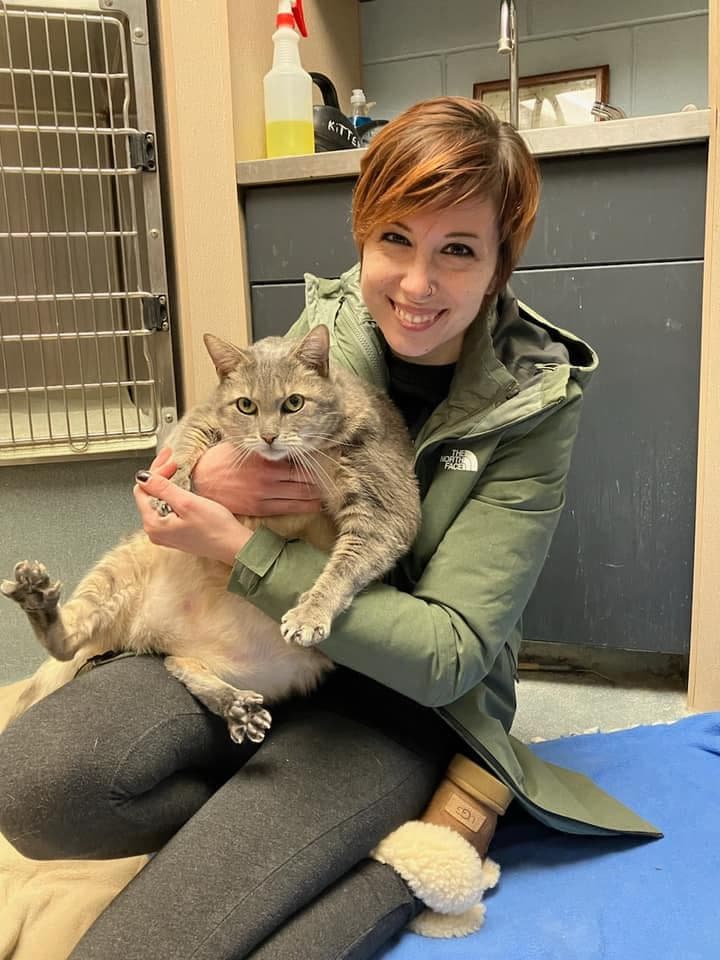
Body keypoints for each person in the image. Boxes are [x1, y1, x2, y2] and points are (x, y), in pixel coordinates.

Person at [0, 97, 660, 960]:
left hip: (404, 694)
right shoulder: (323, 333)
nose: (417, 284)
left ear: (499, 267)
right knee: (35, 787)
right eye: (396, 239)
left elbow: (449, 651)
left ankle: (426, 846)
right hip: (245, 648)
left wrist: (245, 548)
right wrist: (194, 471)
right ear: (362, 235)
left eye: (457, 250)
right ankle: (280, 835)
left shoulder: (535, 404)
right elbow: (204, 430)